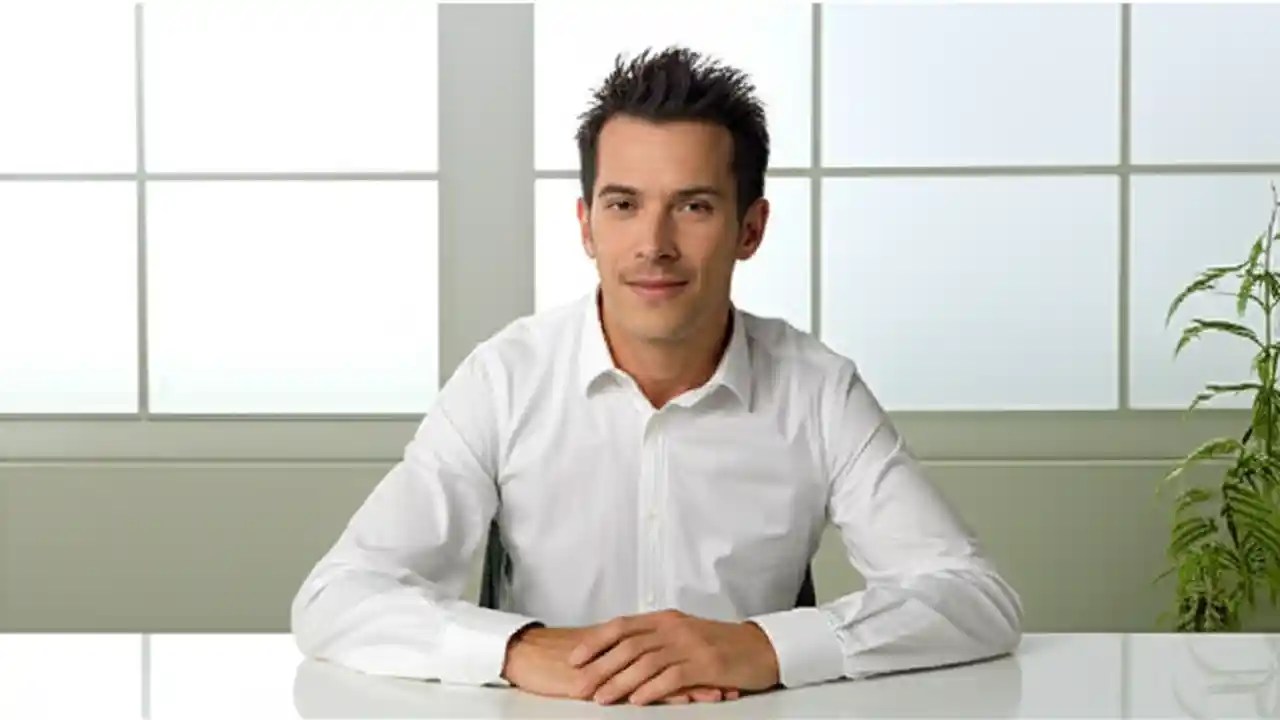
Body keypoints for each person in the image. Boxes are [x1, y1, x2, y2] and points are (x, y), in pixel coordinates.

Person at [291, 46, 1023, 707]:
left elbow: (974, 598)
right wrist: (518, 650)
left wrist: (764, 648)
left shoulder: (817, 389)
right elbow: (337, 597)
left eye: (694, 207)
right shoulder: (504, 380)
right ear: (586, 225)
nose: (654, 244)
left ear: (750, 228)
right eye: (623, 205)